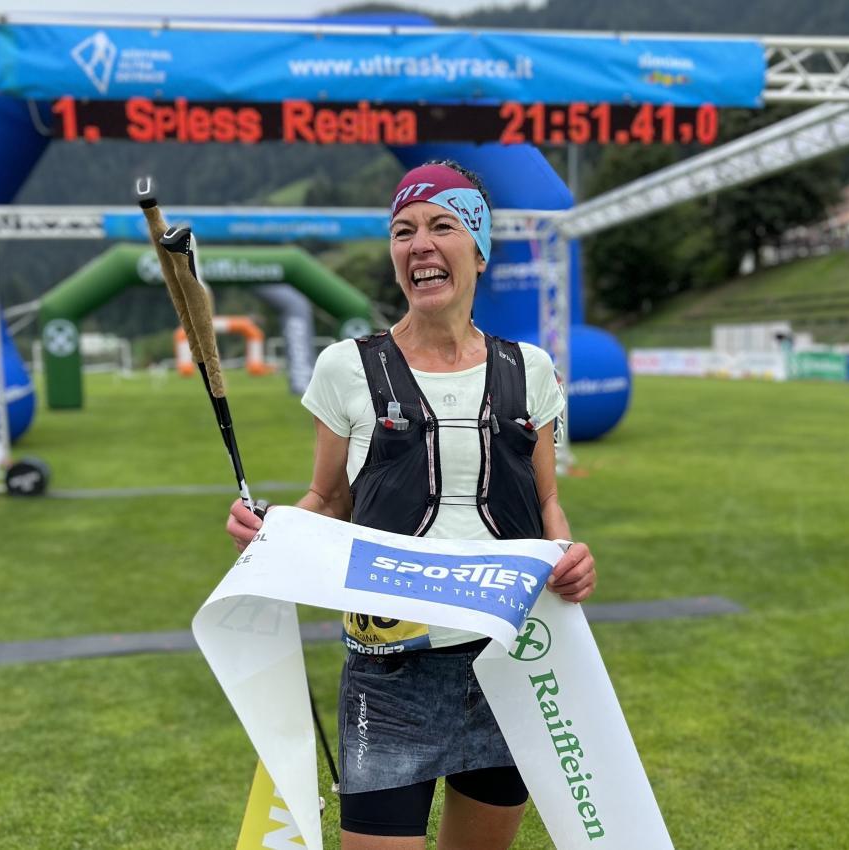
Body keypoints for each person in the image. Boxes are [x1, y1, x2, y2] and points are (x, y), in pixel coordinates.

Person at [226, 160, 597, 850]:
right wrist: (270, 532)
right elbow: (329, 499)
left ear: (478, 250)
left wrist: (570, 560)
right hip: (387, 668)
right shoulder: (346, 367)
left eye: (439, 226)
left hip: (509, 660)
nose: (418, 244)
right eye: (402, 231)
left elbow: (547, 504)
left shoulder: (531, 369)